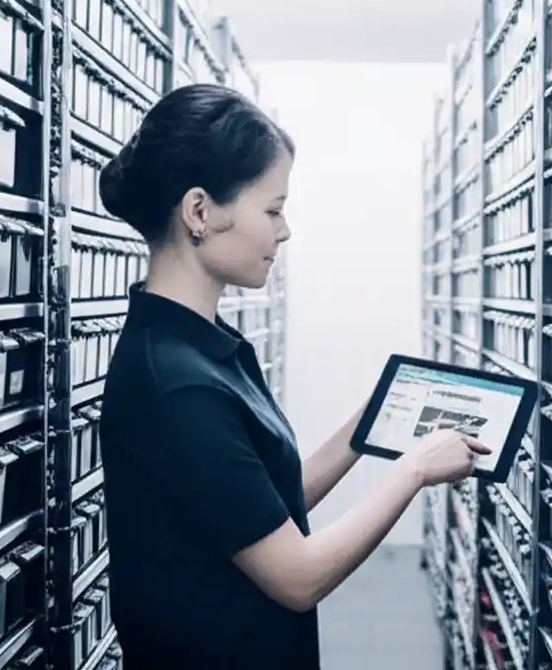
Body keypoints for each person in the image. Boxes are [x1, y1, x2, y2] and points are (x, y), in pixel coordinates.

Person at [95, 84, 491, 668]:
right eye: (273, 210)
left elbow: (262, 508)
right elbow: (297, 576)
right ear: (200, 211)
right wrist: (414, 471)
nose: (284, 232)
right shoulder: (173, 383)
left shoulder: (206, 347)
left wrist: (372, 420)